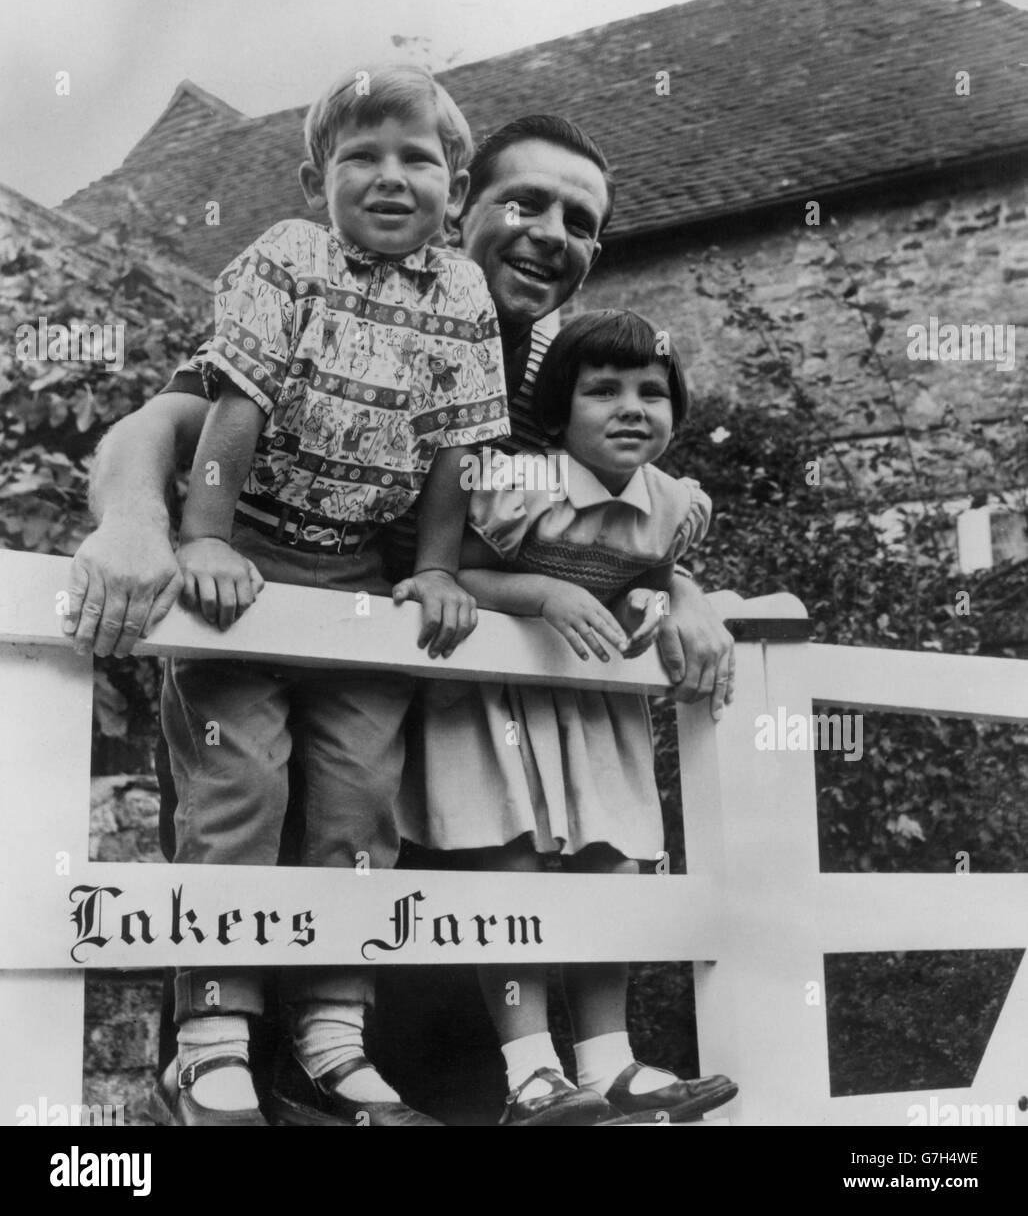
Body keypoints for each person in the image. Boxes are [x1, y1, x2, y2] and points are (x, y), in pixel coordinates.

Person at [67, 111, 737, 1122]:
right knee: (269, 1045)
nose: (547, 230)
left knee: (472, 1078)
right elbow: (161, 425)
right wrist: (130, 519)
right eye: (523, 201)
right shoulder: (344, 295)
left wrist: (678, 592)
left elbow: (624, 524)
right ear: (460, 203)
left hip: (473, 782)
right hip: (301, 733)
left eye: (578, 219)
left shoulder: (570, 374)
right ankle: (223, 1061)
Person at [147, 62, 509, 1127]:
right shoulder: (290, 258)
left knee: (356, 800)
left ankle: (332, 1042)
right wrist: (204, 538)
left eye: (418, 159)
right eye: (362, 157)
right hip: (250, 549)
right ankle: (209, 1043)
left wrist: (434, 567)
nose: (391, 177)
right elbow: (234, 407)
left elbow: (453, 454)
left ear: (454, 181)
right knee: (239, 784)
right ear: (317, 178)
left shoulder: (461, 294)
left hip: (357, 566)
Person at [400, 309, 737, 1125]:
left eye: (652, 393)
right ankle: (530, 1073)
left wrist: (670, 595)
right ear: (556, 414)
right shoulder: (522, 487)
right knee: (512, 868)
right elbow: (461, 576)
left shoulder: (673, 502)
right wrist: (548, 591)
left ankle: (610, 1062)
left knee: (612, 866)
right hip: (496, 706)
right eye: (603, 390)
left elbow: (657, 569)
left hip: (595, 705)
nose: (632, 407)